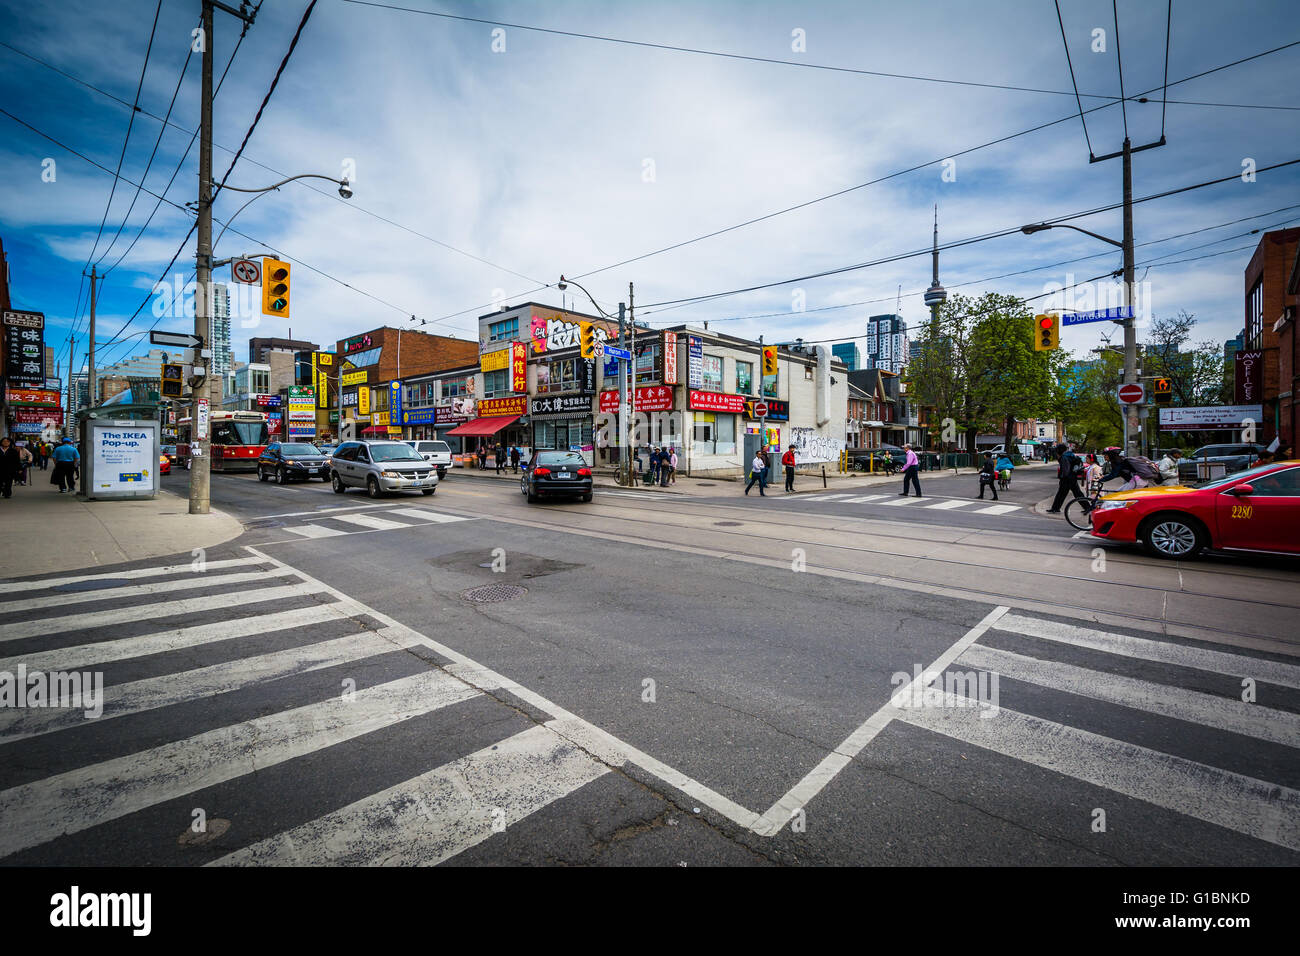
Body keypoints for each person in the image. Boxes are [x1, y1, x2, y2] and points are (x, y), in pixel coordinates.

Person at [1046, 442, 1083, 513]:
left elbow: (1065, 470)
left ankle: (1055, 508)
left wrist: (1062, 478)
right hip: (1072, 478)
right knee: (1077, 494)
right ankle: (1087, 506)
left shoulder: (1064, 457)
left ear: (1060, 450)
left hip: (1067, 479)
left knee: (1060, 495)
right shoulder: (1070, 455)